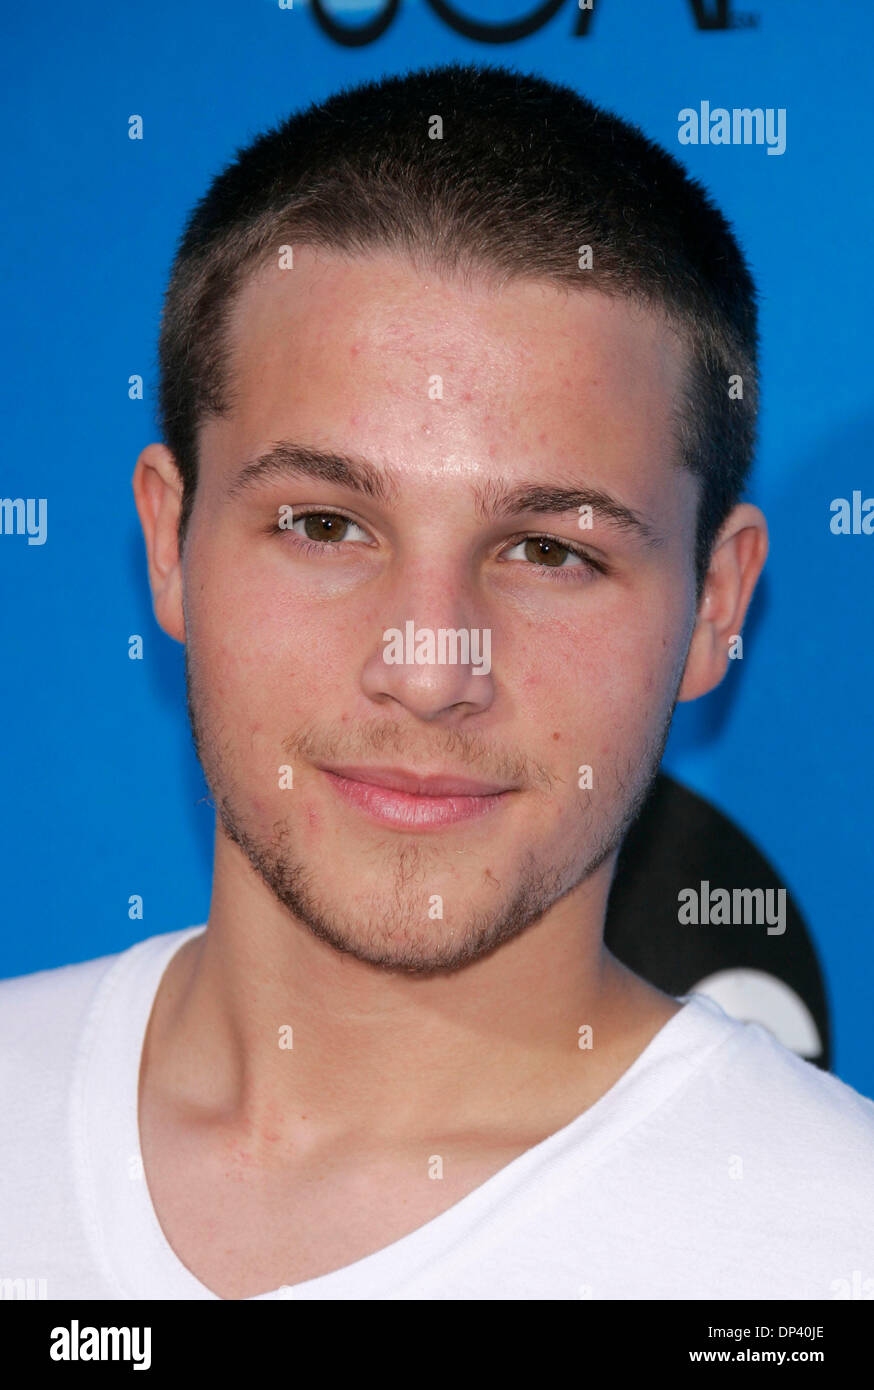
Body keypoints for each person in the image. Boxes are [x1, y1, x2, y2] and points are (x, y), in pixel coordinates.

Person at [2, 61, 872, 1302]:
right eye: (324, 525)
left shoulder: (834, 1255)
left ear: (713, 609)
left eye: (548, 551)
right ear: (167, 544)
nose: (426, 669)